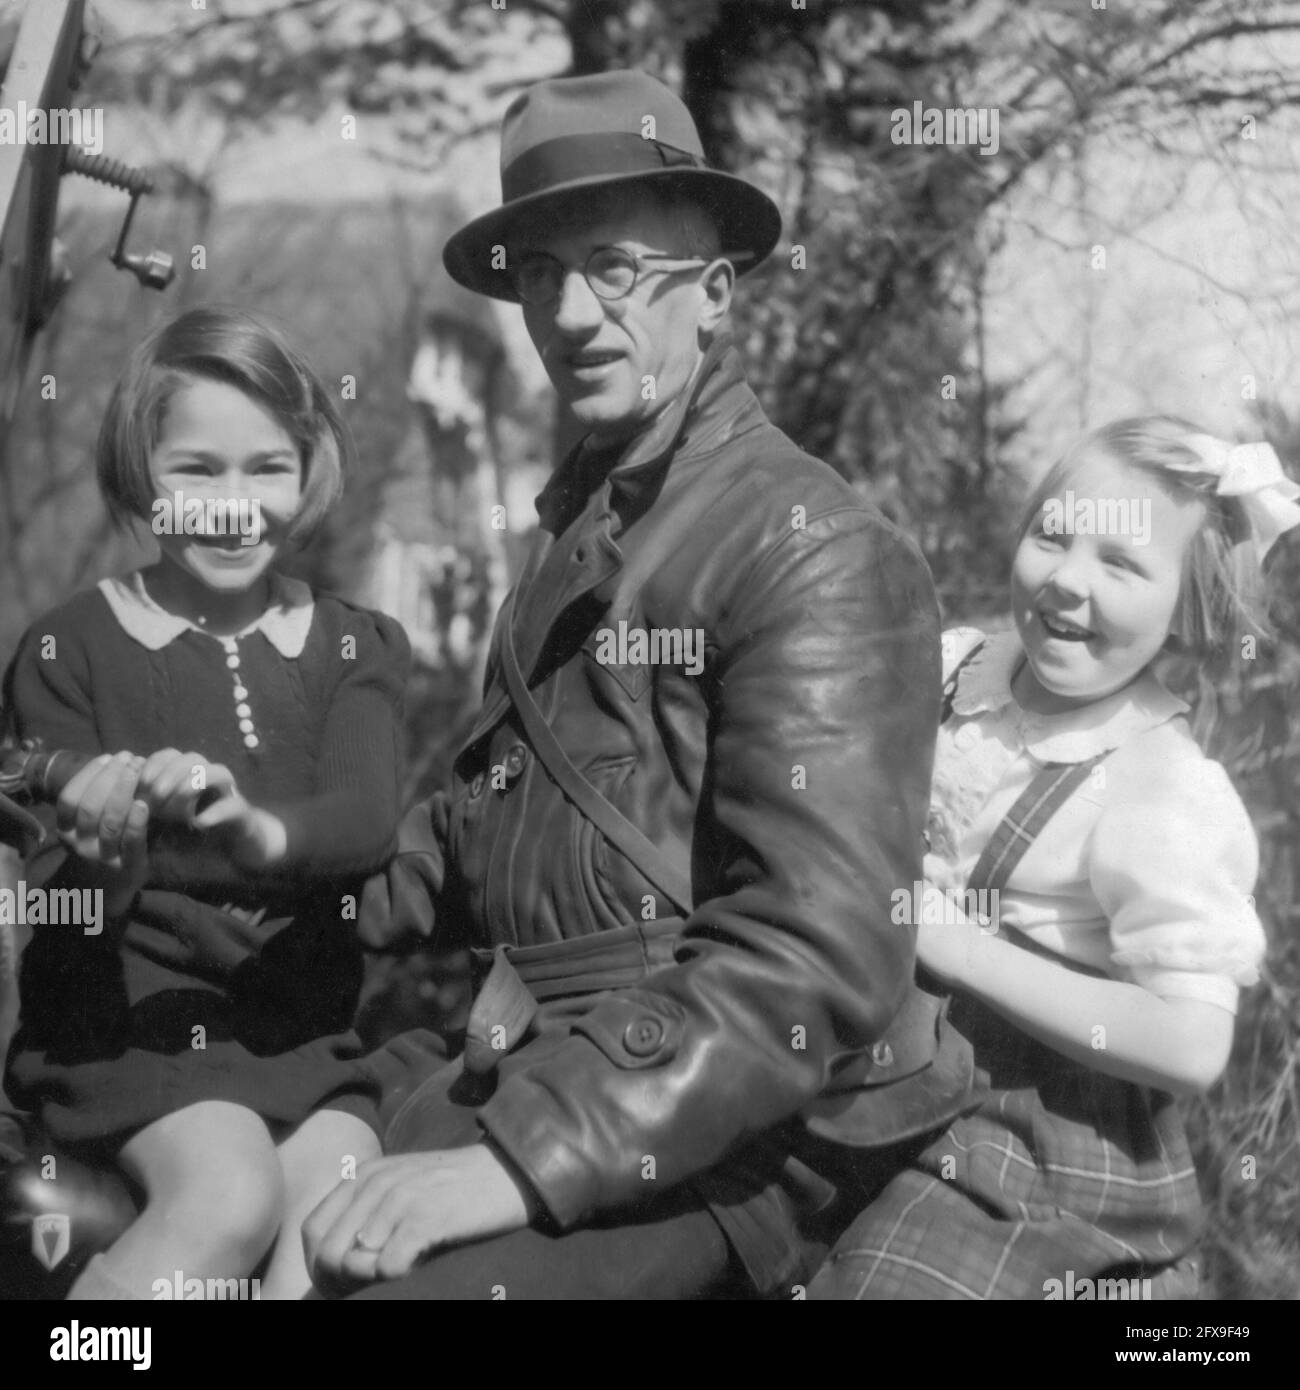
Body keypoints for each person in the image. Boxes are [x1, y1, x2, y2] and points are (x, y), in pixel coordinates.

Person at [302, 69, 968, 1301]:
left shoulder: (807, 543)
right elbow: (468, 845)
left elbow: (812, 954)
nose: (567, 311)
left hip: (746, 1139)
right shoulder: (584, 530)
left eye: (610, 266)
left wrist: (520, 1158)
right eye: (541, 275)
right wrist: (249, 864)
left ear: (713, 295)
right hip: (546, 1064)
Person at [808, 415, 1300, 1299]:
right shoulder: (957, 668)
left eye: (1120, 564)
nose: (1068, 580)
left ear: (1187, 609)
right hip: (879, 1046)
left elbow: (1192, 1043)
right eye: (1052, 535)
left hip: (1034, 1124)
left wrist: (959, 947)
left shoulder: (1158, 783)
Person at [2, 306, 410, 1299]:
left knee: (337, 1221)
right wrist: (110, 849)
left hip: (303, 1035)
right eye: (197, 470)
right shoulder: (72, 647)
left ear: (311, 470)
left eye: (267, 467)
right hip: (129, 1027)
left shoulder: (355, 644)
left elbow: (363, 818)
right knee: (229, 1193)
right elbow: (65, 901)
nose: (233, 506)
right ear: (143, 476)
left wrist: (252, 827)